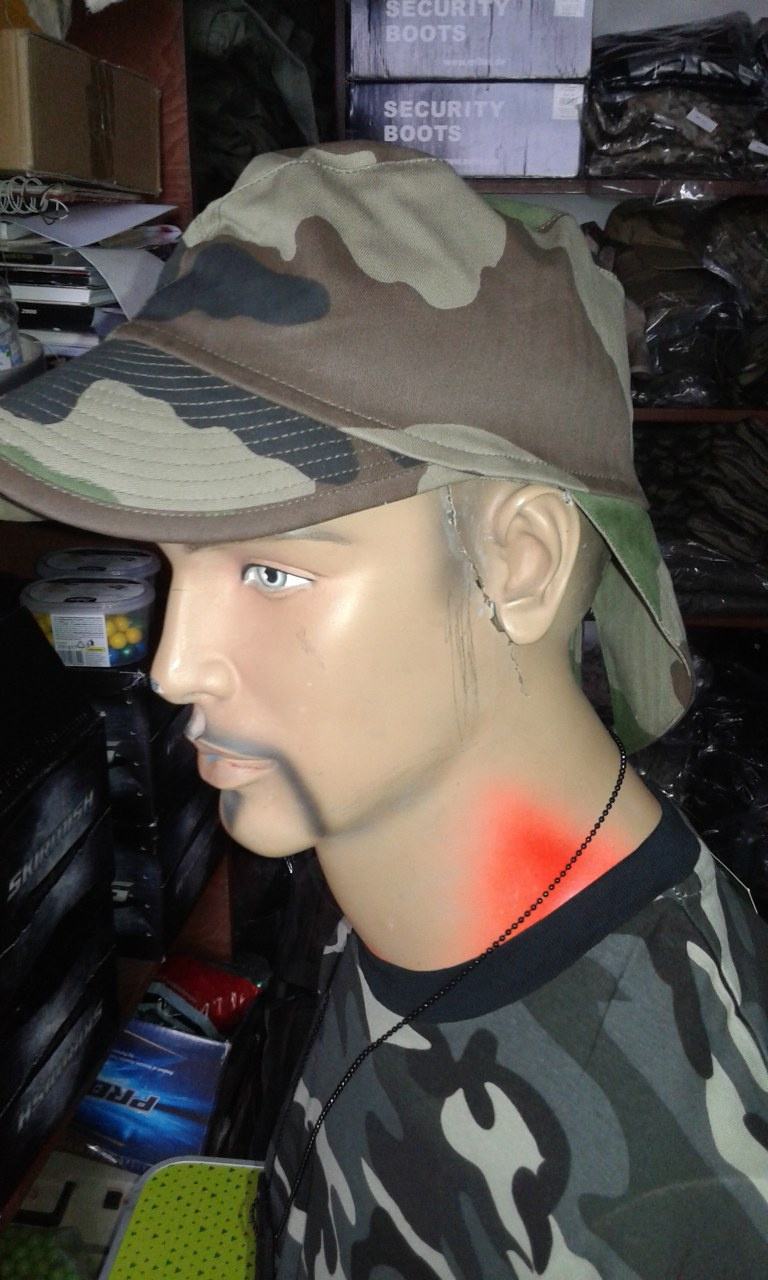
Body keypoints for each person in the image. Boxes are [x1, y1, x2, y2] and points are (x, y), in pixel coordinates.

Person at [0, 142, 766, 1279]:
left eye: (272, 572)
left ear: (518, 562)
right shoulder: (400, 865)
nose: (175, 668)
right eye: (172, 563)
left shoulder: (665, 1196)